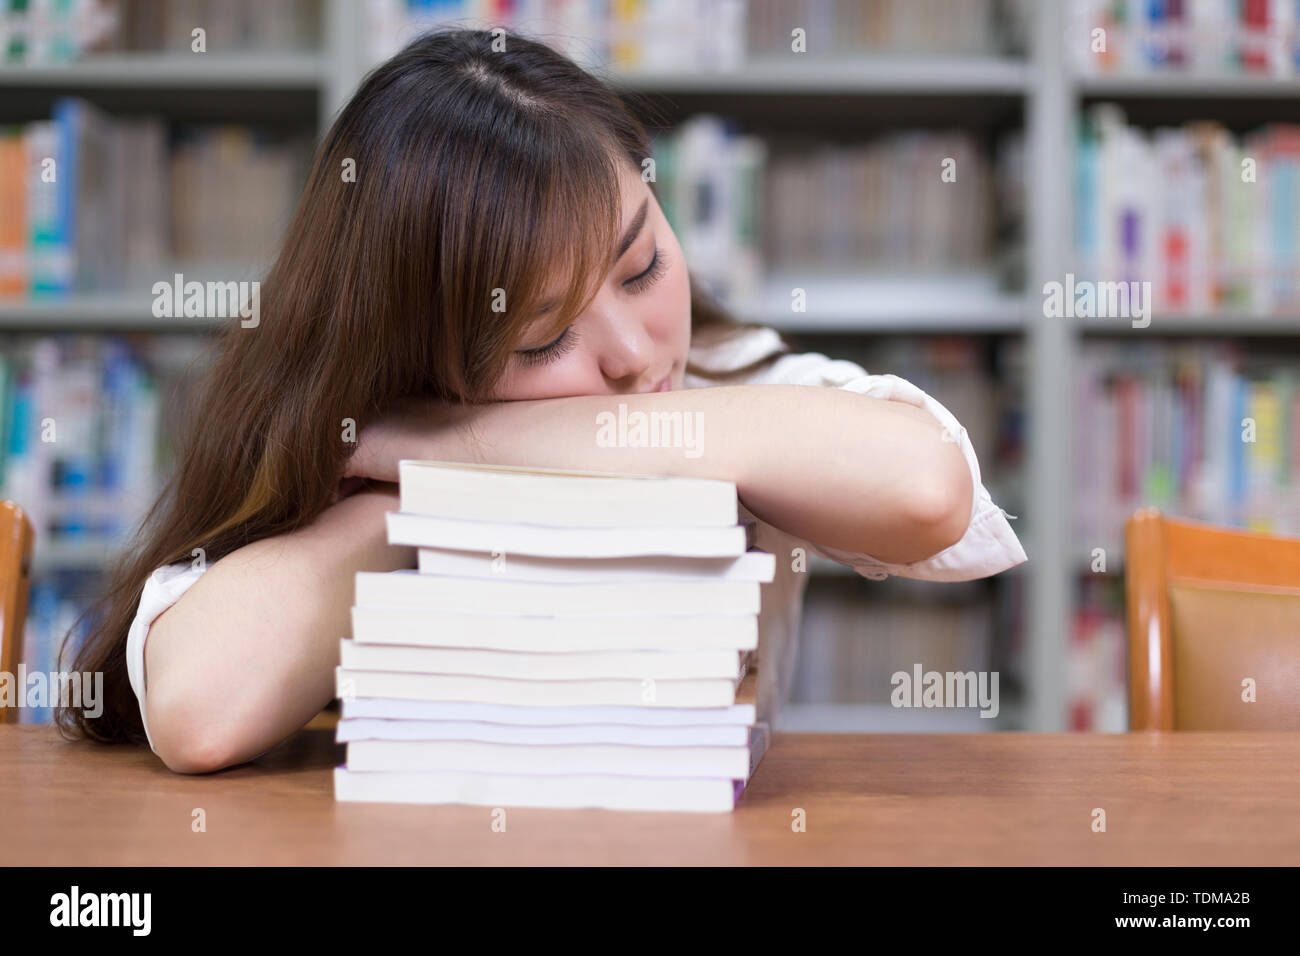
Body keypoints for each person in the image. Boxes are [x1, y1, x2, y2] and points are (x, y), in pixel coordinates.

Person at [57, 27, 1026, 774]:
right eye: (542, 339)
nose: (637, 351)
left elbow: (926, 487)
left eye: (642, 264)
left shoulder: (735, 388)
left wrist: (472, 439)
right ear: (420, 351)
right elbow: (199, 709)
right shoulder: (372, 451)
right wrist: (424, 479)